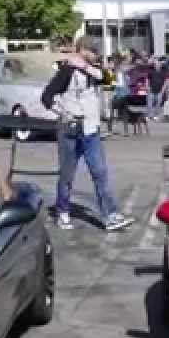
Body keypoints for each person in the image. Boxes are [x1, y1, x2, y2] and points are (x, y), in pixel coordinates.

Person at [41, 39, 134, 232]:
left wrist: (86, 67)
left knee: (100, 172)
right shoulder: (66, 71)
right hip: (70, 129)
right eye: (92, 51)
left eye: (96, 52)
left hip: (91, 130)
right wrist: (63, 112)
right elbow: (46, 96)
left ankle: (110, 215)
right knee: (67, 173)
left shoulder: (94, 70)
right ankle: (63, 210)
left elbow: (109, 80)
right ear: (81, 50)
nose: (95, 55)